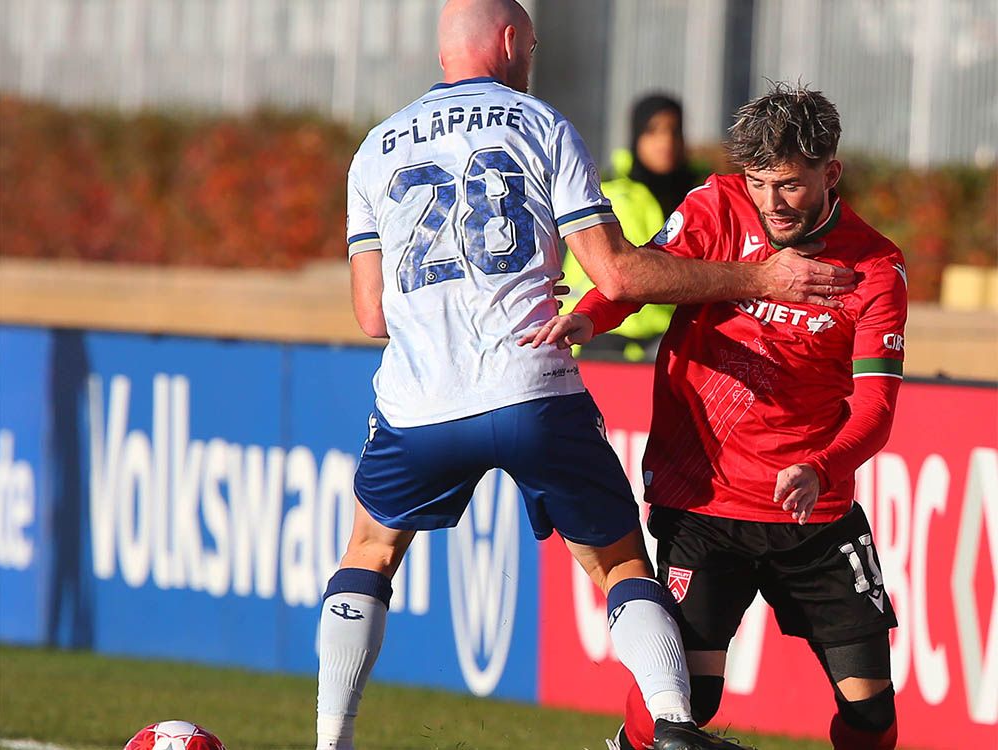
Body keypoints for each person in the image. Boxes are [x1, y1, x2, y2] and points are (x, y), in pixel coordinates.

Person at [319, 2, 855, 746]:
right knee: (617, 561)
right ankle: (671, 724)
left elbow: (372, 315)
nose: (531, 57)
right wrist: (759, 280)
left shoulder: (375, 149)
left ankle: (330, 740)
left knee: (370, 552)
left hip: (420, 401)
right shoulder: (539, 123)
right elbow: (619, 273)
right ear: (510, 42)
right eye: (531, 44)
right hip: (532, 381)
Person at [526, 83, 906, 750]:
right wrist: (592, 314)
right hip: (705, 502)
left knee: (873, 718)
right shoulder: (716, 205)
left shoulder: (876, 268)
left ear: (830, 173)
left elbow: (876, 408)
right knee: (686, 701)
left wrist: (821, 467)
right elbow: (643, 272)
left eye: (788, 184)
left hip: (813, 513)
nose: (770, 201)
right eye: (757, 181)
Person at [562, 94, 702, 362]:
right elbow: (642, 272)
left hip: (664, 340)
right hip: (606, 338)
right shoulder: (614, 195)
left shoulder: (701, 192)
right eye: (653, 131)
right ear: (636, 135)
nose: (666, 142)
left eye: (674, 131)